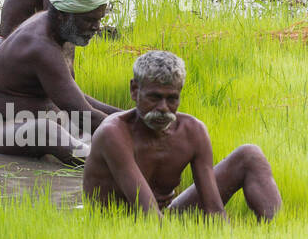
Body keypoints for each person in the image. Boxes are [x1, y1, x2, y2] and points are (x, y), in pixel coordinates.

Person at [83, 50, 282, 219]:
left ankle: (277, 238)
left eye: (172, 99)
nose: (163, 108)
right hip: (120, 229)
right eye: (154, 97)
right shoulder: (114, 134)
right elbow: (148, 215)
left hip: (164, 220)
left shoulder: (192, 131)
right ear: (135, 90)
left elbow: (214, 211)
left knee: (250, 155)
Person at [0, 0, 120, 163]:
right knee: (47, 131)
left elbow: (76, 100)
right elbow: (82, 114)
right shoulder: (40, 46)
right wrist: (132, 134)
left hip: (27, 129)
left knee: (78, 131)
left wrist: (131, 117)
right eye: (89, 20)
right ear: (64, 15)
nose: (97, 27)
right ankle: (110, 169)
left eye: (99, 19)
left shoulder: (63, 34)